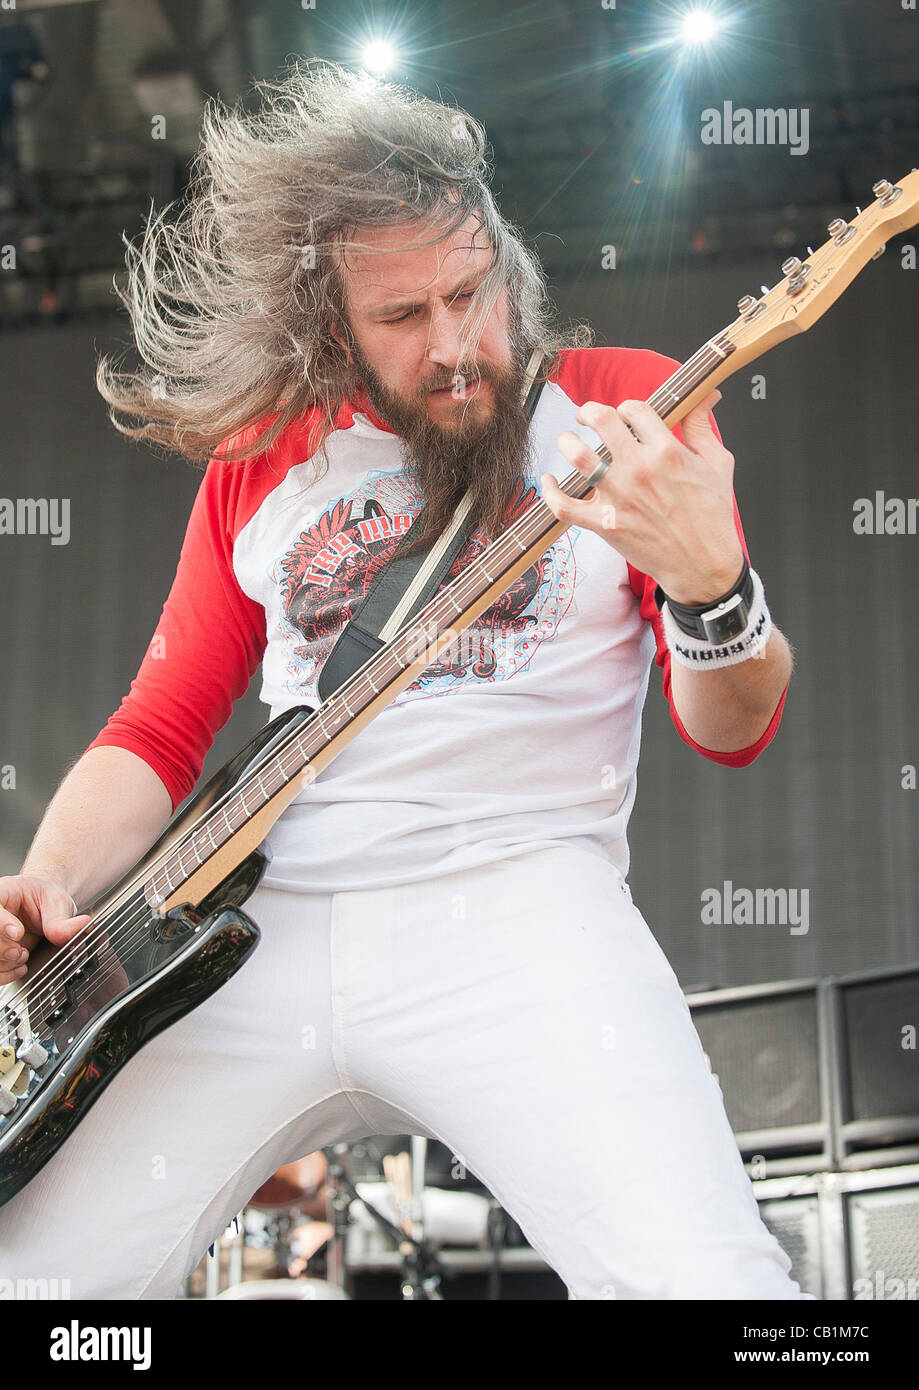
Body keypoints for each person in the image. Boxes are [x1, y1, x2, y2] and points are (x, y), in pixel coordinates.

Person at [0, 61, 807, 1299]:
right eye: (403, 318)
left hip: (523, 908)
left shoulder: (625, 405)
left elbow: (734, 723)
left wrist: (711, 584)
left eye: (470, 294)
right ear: (333, 328)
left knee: (712, 1289)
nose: (454, 346)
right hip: (242, 937)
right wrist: (48, 884)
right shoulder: (264, 462)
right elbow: (158, 730)